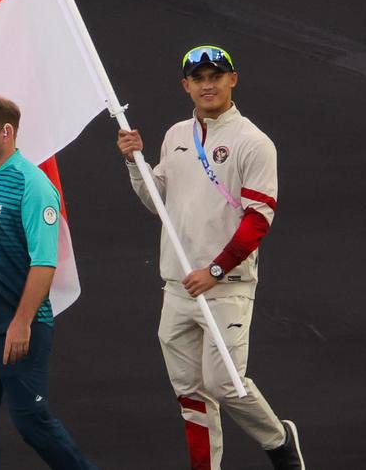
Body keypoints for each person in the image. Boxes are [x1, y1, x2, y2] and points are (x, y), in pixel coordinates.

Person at [116, 45, 304, 470]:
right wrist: (134, 162)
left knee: (226, 383)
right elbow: (158, 201)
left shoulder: (253, 142)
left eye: (215, 76)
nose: (208, 85)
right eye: (198, 78)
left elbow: (260, 219)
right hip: (177, 284)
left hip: (226, 285)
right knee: (190, 392)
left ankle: (279, 441)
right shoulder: (176, 135)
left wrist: (216, 269)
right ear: (186, 86)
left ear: (232, 79)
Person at [0, 93, 96, 470]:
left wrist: (21, 322)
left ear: (6, 132)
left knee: (33, 424)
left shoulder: (33, 185)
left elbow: (45, 261)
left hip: (18, 329)